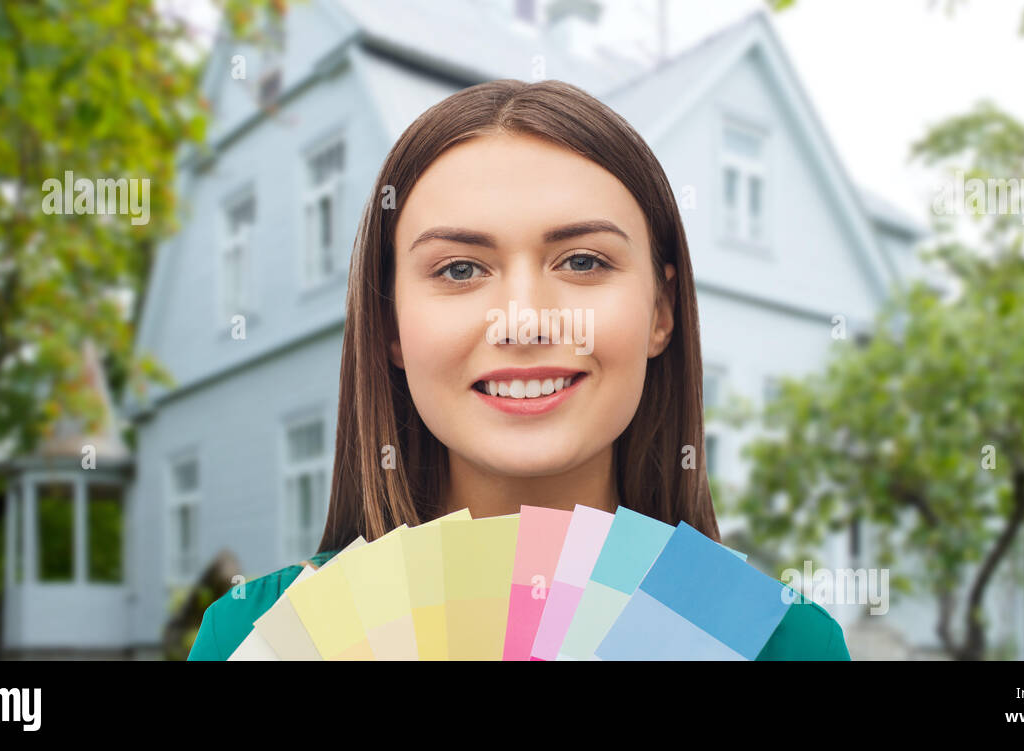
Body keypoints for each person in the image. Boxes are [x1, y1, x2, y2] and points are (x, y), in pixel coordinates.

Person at [188, 79, 849, 660]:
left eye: (583, 261)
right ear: (390, 324)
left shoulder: (785, 644)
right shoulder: (249, 636)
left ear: (660, 310)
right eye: (460, 269)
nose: (526, 320)